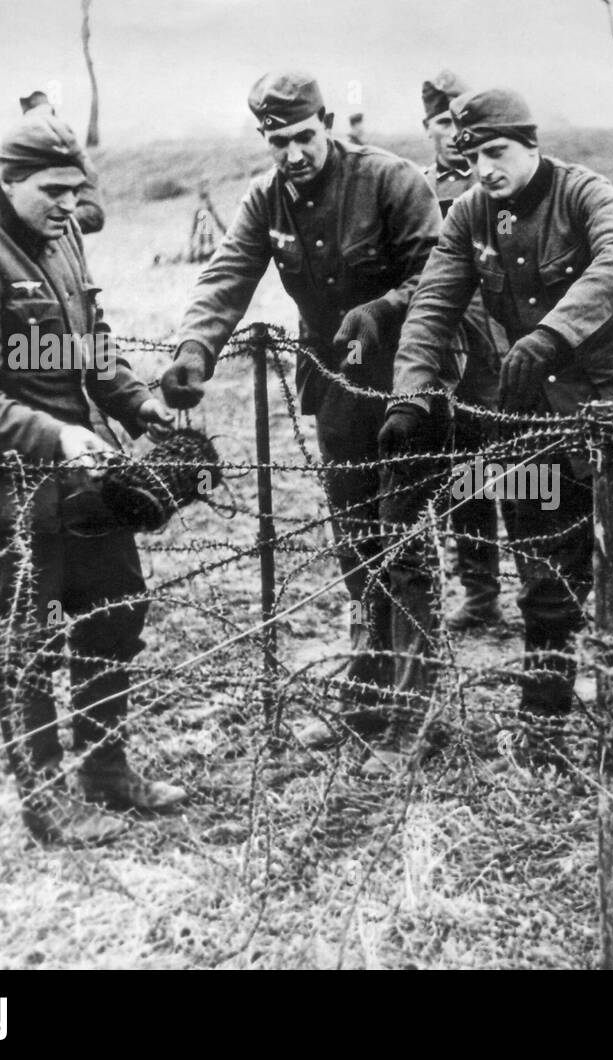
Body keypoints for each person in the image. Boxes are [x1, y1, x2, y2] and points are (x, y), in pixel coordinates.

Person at [389, 88, 613, 780]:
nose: (485, 170)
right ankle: (547, 716)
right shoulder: (470, 213)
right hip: (540, 420)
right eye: (472, 157)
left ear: (531, 145)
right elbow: (434, 302)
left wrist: (551, 336)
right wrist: (411, 394)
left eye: (498, 153)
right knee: (546, 577)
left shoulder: (586, 193)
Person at [159, 72, 443, 772]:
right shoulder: (269, 199)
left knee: (401, 545)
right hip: (338, 389)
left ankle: (416, 715)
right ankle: (370, 697)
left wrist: (382, 312)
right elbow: (227, 274)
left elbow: (440, 277)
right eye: (278, 141)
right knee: (355, 544)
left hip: (409, 382)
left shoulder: (390, 181)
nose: (293, 154)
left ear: (328, 122)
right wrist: (196, 349)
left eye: (304, 137)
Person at [0, 114, 184, 846]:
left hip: (80, 481)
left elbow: (89, 343)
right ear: (7, 180)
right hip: (6, 489)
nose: (73, 204)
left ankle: (106, 771)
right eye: (55, 190)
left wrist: (138, 407)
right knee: (28, 644)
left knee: (116, 609)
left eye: (79, 188)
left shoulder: (61, 234)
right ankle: (45, 797)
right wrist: (59, 435)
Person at [420, 70, 506, 631]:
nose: (454, 135)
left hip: (507, 349)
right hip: (454, 355)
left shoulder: (502, 182)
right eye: (442, 123)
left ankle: (555, 591)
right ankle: (480, 593)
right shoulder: (418, 190)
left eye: (460, 122)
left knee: (537, 478)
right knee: (464, 475)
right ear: (426, 126)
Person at [17, 89, 105, 234]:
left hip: (59, 247)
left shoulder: (74, 158)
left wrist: (46, 221)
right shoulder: (18, 159)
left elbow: (94, 214)